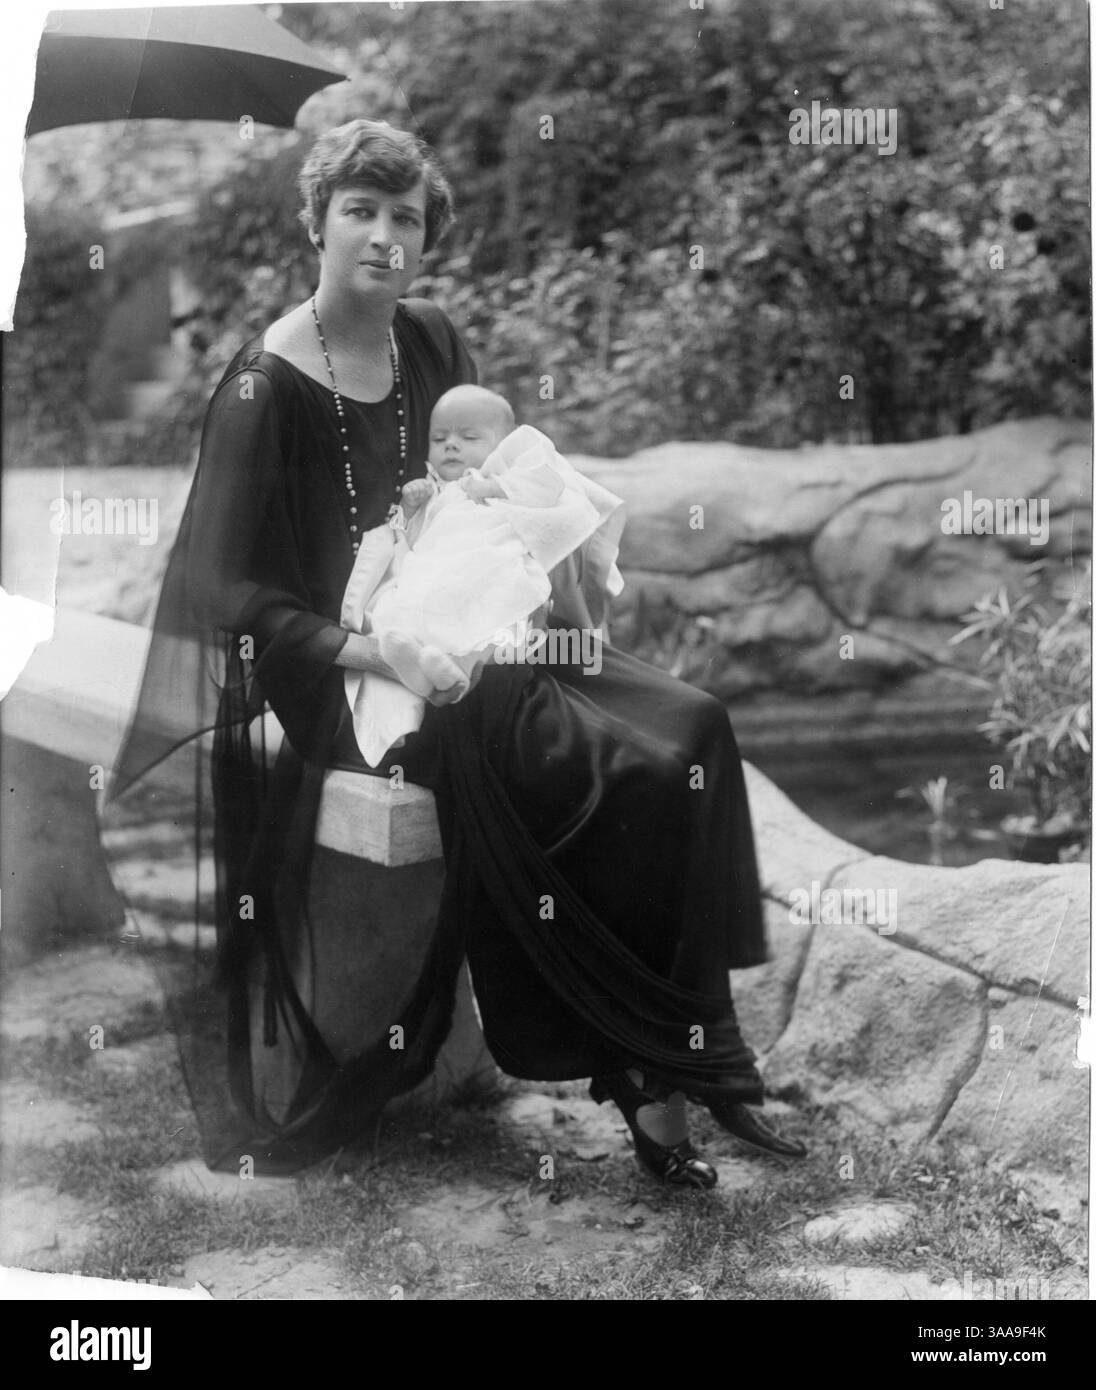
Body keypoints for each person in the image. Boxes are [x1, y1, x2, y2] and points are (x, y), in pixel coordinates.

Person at [108, 118, 805, 1188]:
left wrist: (548, 573)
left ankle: (700, 1050)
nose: (386, 237)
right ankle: (658, 1087)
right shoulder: (262, 388)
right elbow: (226, 591)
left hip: (475, 629)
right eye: (362, 212)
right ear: (317, 223)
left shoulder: (429, 340)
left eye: (406, 217)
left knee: (692, 723)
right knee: (620, 767)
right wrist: (376, 653)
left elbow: (494, 502)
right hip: (348, 672)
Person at [341, 384, 621, 770]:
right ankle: (416, 682)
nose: (451, 445)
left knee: (489, 620)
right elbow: (405, 544)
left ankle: (452, 675)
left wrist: (494, 486)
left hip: (489, 573)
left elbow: (549, 493)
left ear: (503, 445)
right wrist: (409, 508)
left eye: (469, 437)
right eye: (440, 439)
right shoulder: (435, 492)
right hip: (437, 579)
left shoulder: (509, 476)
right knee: (397, 610)